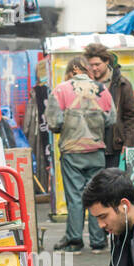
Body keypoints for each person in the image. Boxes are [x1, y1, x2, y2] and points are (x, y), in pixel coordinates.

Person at [48, 56, 115, 252]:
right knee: (96, 195)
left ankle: (75, 240)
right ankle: (98, 241)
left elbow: (54, 123)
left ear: (71, 71)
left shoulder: (61, 90)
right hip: (96, 151)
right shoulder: (102, 90)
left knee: (75, 197)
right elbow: (111, 120)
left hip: (72, 151)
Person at [84, 42, 134, 171]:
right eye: (91, 65)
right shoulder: (84, 84)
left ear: (106, 61)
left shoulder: (122, 84)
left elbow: (130, 116)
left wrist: (128, 143)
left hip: (113, 146)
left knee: (110, 185)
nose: (94, 68)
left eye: (97, 64)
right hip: (90, 146)